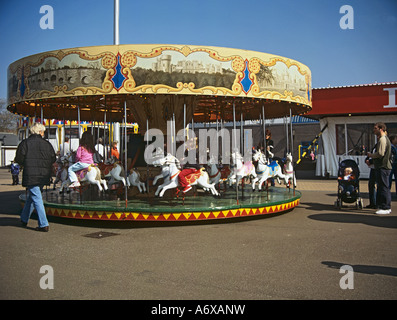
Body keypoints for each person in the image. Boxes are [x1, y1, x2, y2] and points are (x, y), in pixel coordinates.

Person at [14, 122, 56, 231]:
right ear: (40, 132)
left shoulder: (25, 143)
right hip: (44, 174)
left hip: (31, 174)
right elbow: (53, 158)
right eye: (43, 132)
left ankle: (43, 224)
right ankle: (24, 218)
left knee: (36, 197)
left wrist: (25, 164)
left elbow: (19, 158)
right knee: (33, 197)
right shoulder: (47, 144)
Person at [367, 122, 392, 215]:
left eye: (375, 128)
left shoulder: (382, 139)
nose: (374, 130)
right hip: (383, 166)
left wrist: (371, 155)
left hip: (383, 166)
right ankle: (384, 206)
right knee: (383, 187)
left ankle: (385, 207)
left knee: (383, 187)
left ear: (381, 129)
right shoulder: (384, 139)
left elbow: (380, 153)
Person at [365, 145, 377, 209]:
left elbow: (379, 156)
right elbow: (369, 155)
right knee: (371, 185)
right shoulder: (375, 146)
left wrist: (370, 161)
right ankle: (372, 203)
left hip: (377, 168)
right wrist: (366, 160)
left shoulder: (382, 144)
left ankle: (376, 203)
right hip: (373, 168)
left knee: (376, 185)